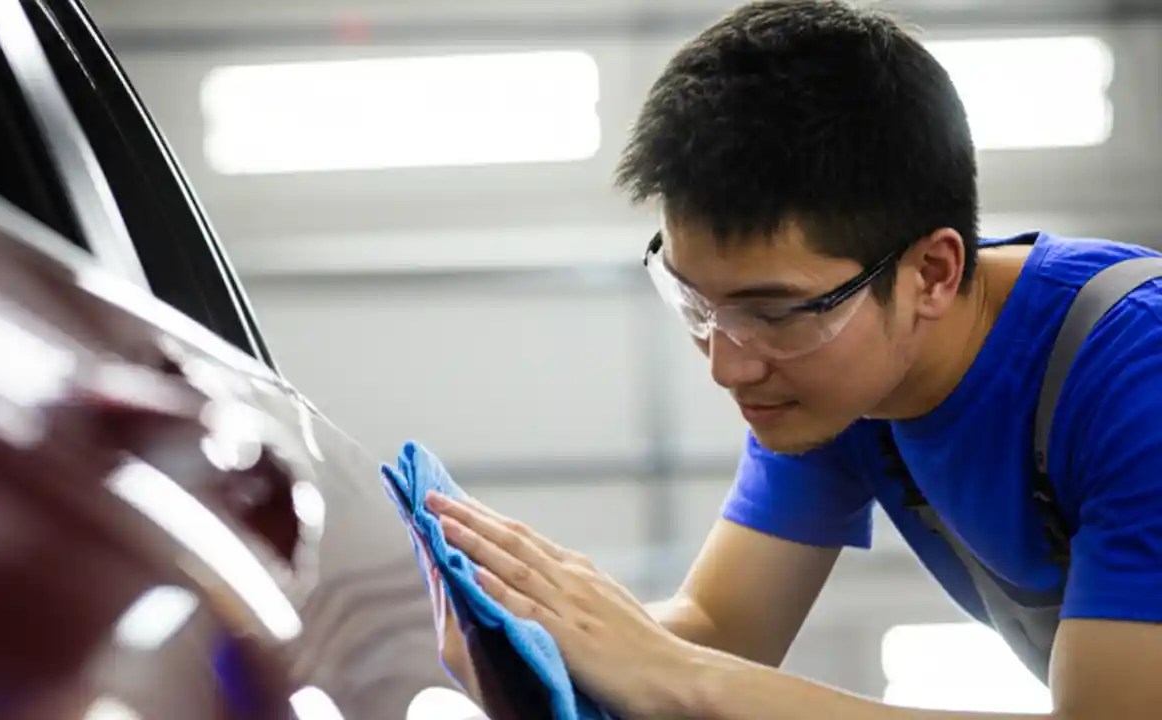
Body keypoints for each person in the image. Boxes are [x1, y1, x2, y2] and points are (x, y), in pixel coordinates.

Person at [431, 0, 1162, 718]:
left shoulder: (1137, 379)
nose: (729, 365)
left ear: (933, 273)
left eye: (772, 313)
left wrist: (679, 676)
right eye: (696, 305)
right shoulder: (842, 375)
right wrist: (530, 646)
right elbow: (722, 629)